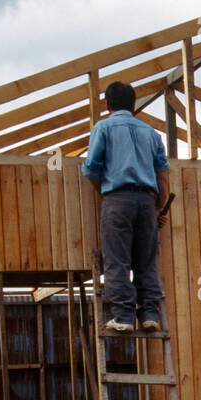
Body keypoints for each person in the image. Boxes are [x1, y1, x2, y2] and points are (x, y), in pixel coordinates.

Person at [82, 81, 171, 333]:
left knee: (117, 260)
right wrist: (159, 208)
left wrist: (105, 194)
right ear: (133, 105)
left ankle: (122, 316)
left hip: (116, 198)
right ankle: (149, 315)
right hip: (146, 201)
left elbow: (90, 168)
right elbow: (162, 176)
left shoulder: (104, 127)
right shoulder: (151, 133)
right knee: (147, 260)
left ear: (107, 104)